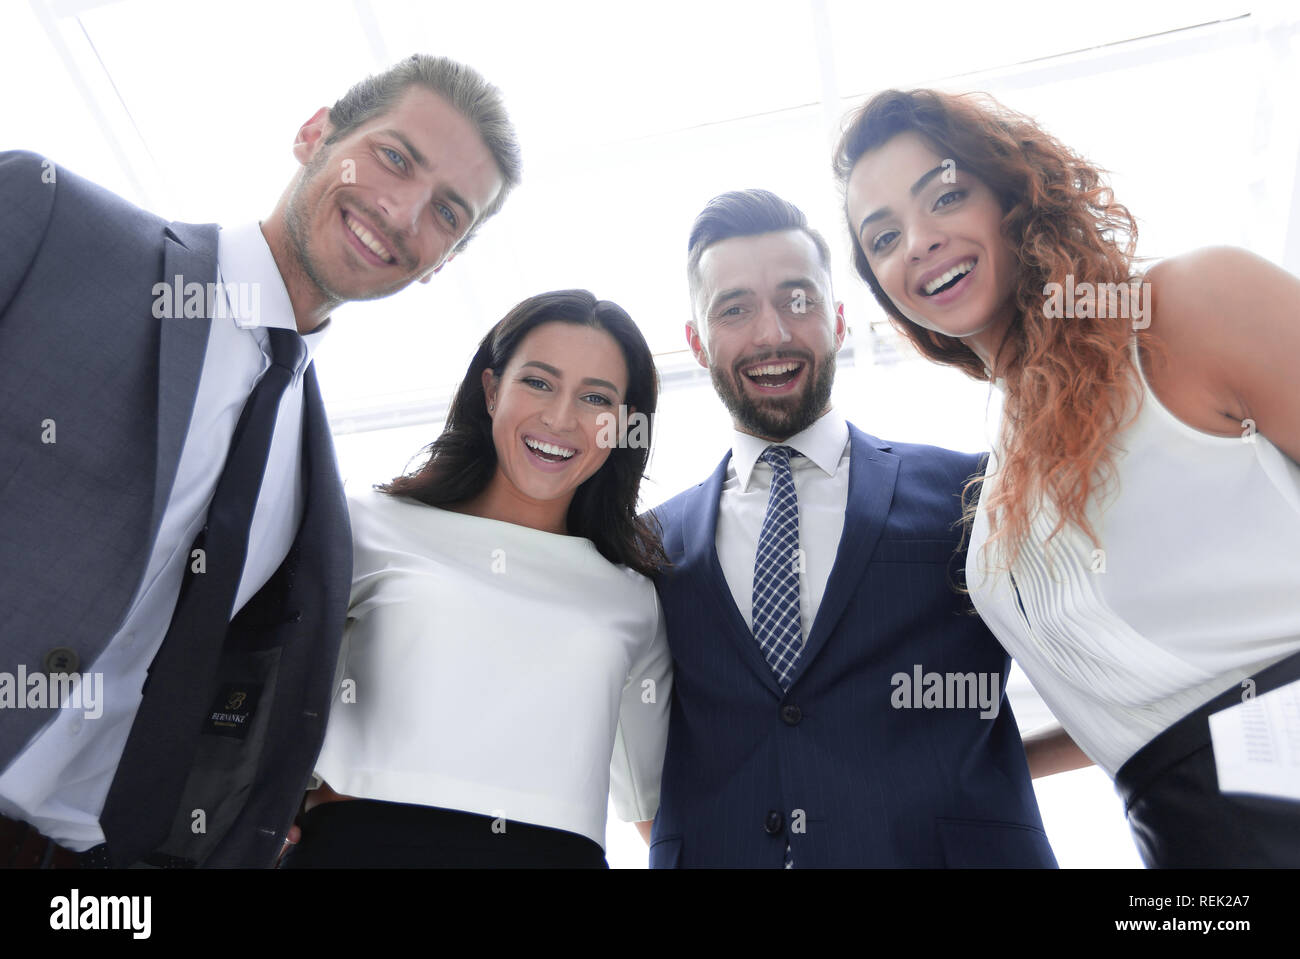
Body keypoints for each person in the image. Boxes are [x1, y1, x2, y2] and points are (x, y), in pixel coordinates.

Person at [0, 54, 521, 868]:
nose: (402, 210)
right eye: (394, 156)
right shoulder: (53, 223)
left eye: (447, 211)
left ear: (444, 260)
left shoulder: (315, 490)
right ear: (316, 132)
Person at [835, 88, 1300, 867]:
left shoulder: (1183, 308)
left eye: (945, 194)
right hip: (1191, 849)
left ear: (1015, 196)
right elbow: (1136, 716)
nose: (916, 242)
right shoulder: (994, 502)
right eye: (883, 237)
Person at [637, 189, 1056, 867]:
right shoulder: (645, 547)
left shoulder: (975, 490)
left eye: (797, 300)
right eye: (735, 308)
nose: (771, 333)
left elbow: (1100, 661)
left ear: (835, 319)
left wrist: (993, 767)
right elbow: (635, 761)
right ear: (696, 341)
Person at [281, 290, 671, 868]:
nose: (561, 418)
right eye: (538, 382)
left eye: (596, 398)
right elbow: (256, 682)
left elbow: (653, 810)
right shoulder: (365, 524)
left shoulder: (634, 598)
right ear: (491, 391)